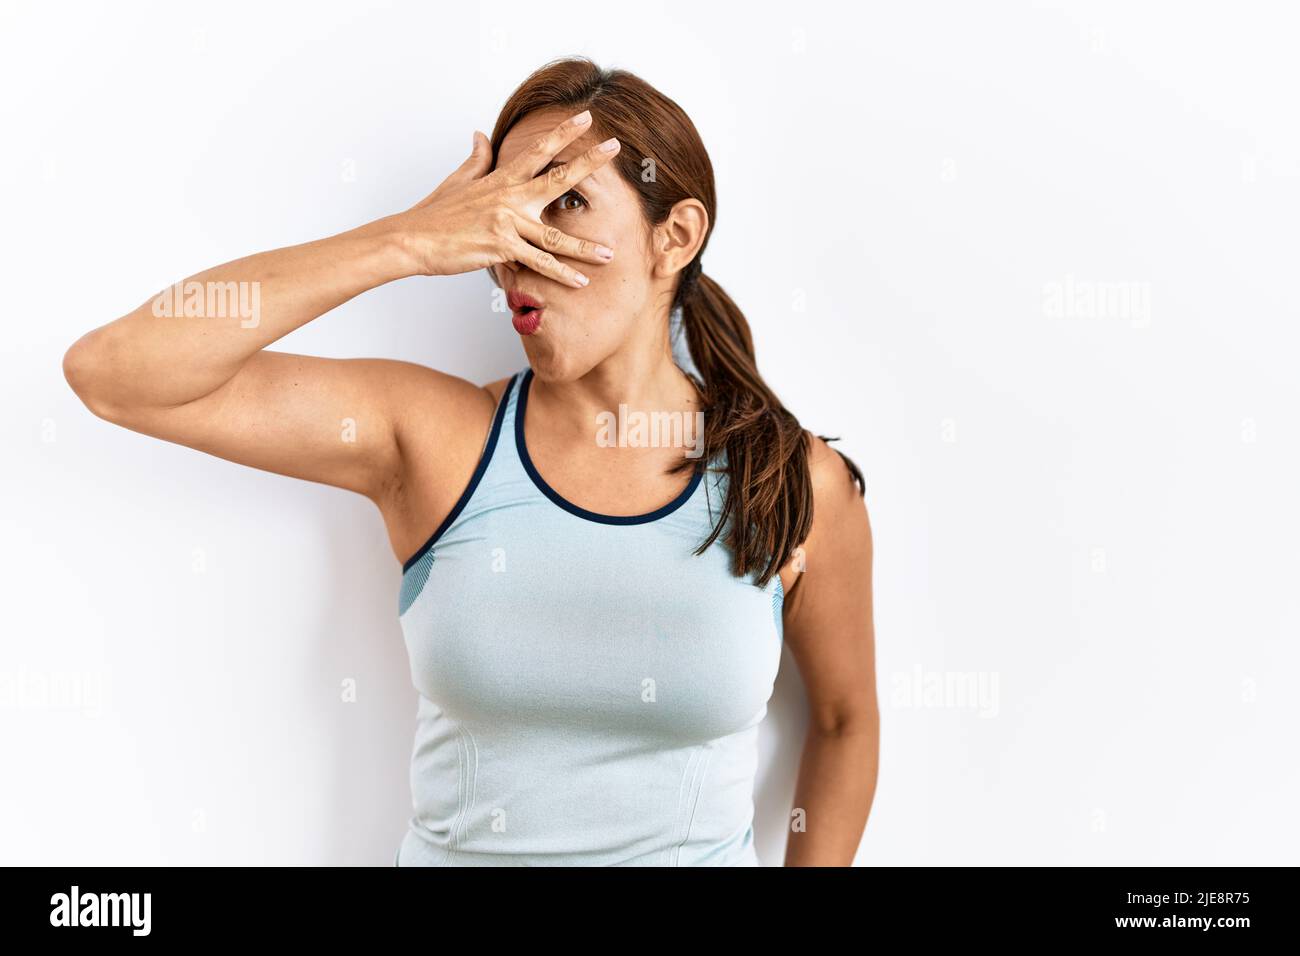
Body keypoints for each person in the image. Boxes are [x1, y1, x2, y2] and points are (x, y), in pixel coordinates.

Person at [63, 56, 879, 866]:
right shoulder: (438, 439)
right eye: (505, 204)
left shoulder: (792, 481)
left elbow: (846, 723)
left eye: (563, 200)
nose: (518, 243)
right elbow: (118, 374)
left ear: (675, 237)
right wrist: (406, 241)